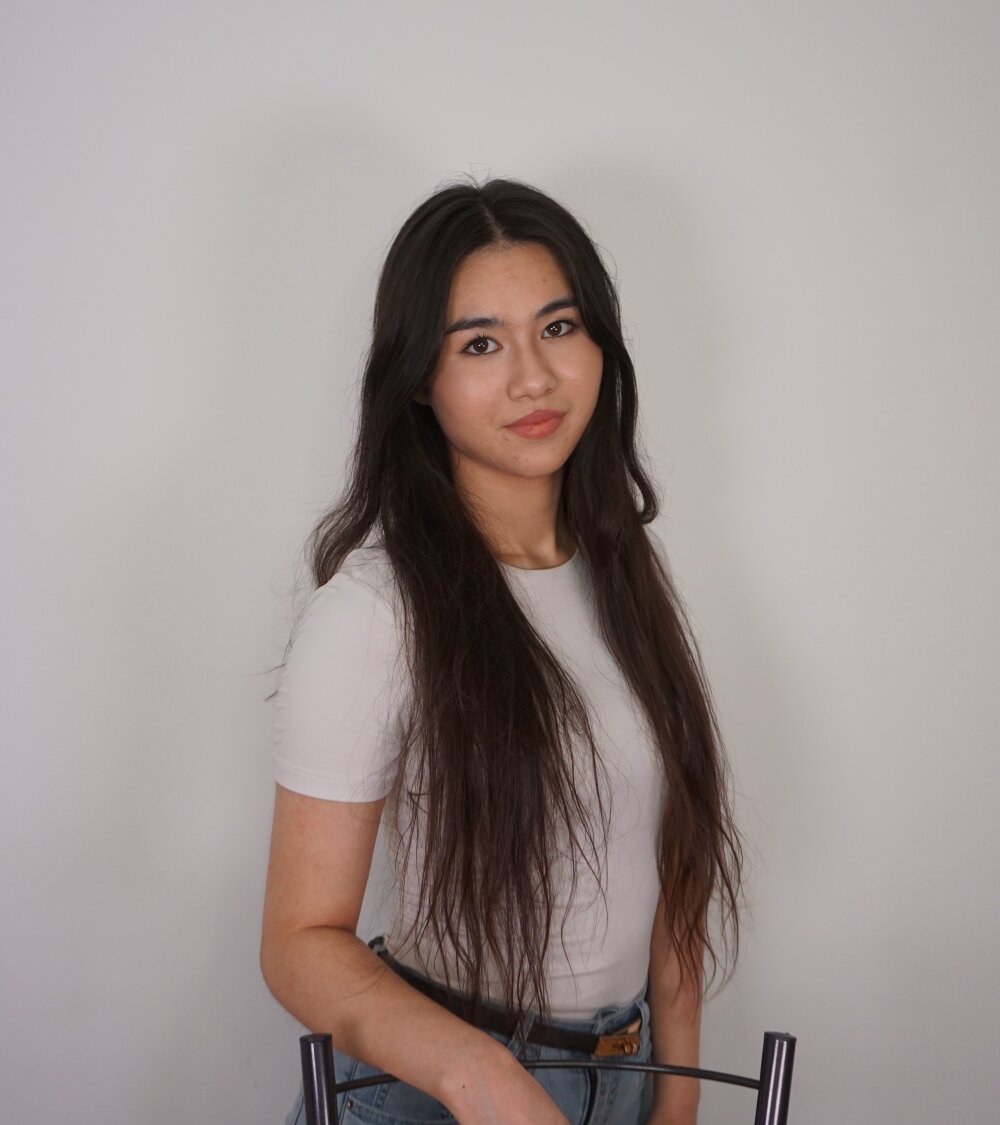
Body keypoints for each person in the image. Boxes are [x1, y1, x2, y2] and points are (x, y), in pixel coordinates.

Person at [260, 177, 743, 1125]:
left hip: (625, 1076)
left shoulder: (621, 567)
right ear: (417, 379)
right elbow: (298, 941)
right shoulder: (376, 609)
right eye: (480, 343)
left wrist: (677, 1089)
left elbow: (672, 855)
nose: (534, 377)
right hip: (441, 1089)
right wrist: (482, 1078)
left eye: (558, 328)